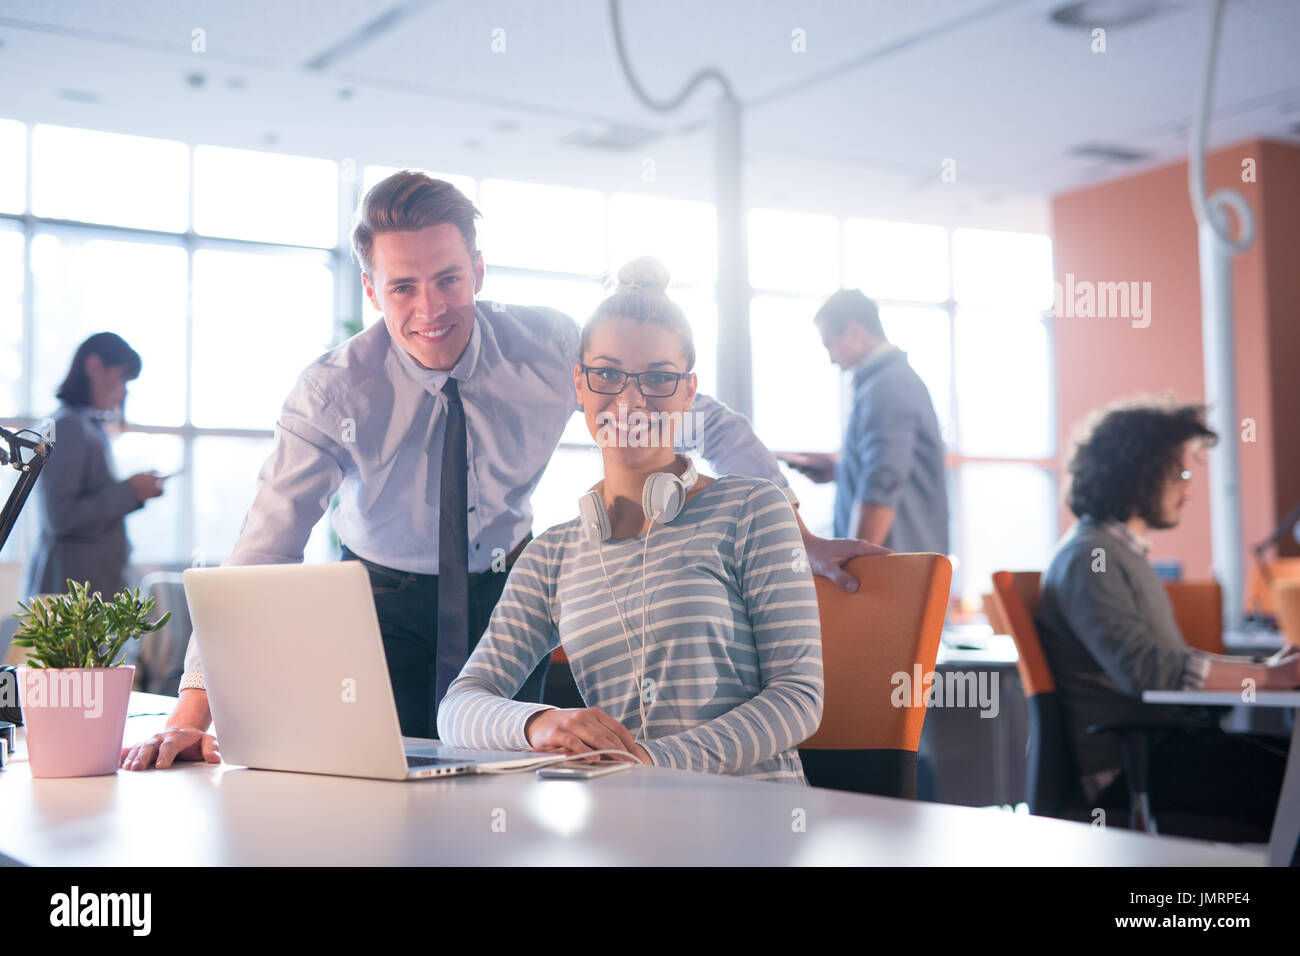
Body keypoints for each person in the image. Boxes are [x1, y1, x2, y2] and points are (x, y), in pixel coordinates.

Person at [121, 171, 873, 771]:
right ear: (371, 290)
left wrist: (798, 533)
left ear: (477, 270)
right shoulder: (335, 391)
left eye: (448, 279)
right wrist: (189, 718)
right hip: (379, 605)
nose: (430, 310)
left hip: (506, 593)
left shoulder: (546, 348)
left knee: (507, 787)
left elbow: (693, 413)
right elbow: (263, 552)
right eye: (403, 287)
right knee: (378, 789)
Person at [437, 259, 824, 782]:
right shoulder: (554, 554)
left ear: (689, 394)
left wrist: (652, 760)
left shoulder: (752, 510)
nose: (630, 400)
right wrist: (539, 723)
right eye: (608, 374)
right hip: (628, 824)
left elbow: (798, 698)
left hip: (756, 821)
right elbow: (457, 709)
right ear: (580, 384)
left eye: (659, 379)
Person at [1036, 398, 1299, 838]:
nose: (1189, 489)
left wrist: (1267, 671)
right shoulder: (1090, 558)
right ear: (1136, 471)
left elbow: (1163, 662)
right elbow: (1145, 669)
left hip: (1164, 748)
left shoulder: (1117, 554)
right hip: (1131, 768)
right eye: (1179, 473)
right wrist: (1271, 678)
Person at [784, 289, 948, 554]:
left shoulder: (888, 385)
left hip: (894, 571)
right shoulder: (889, 382)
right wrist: (842, 470)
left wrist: (854, 566)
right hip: (900, 562)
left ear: (854, 332)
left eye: (830, 345)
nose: (832, 359)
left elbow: (884, 480)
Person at [21, 332, 165, 603]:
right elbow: (61, 516)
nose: (123, 391)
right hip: (70, 595)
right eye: (121, 377)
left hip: (81, 589)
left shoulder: (85, 425)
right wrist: (129, 491)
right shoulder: (69, 426)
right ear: (94, 366)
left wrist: (133, 493)